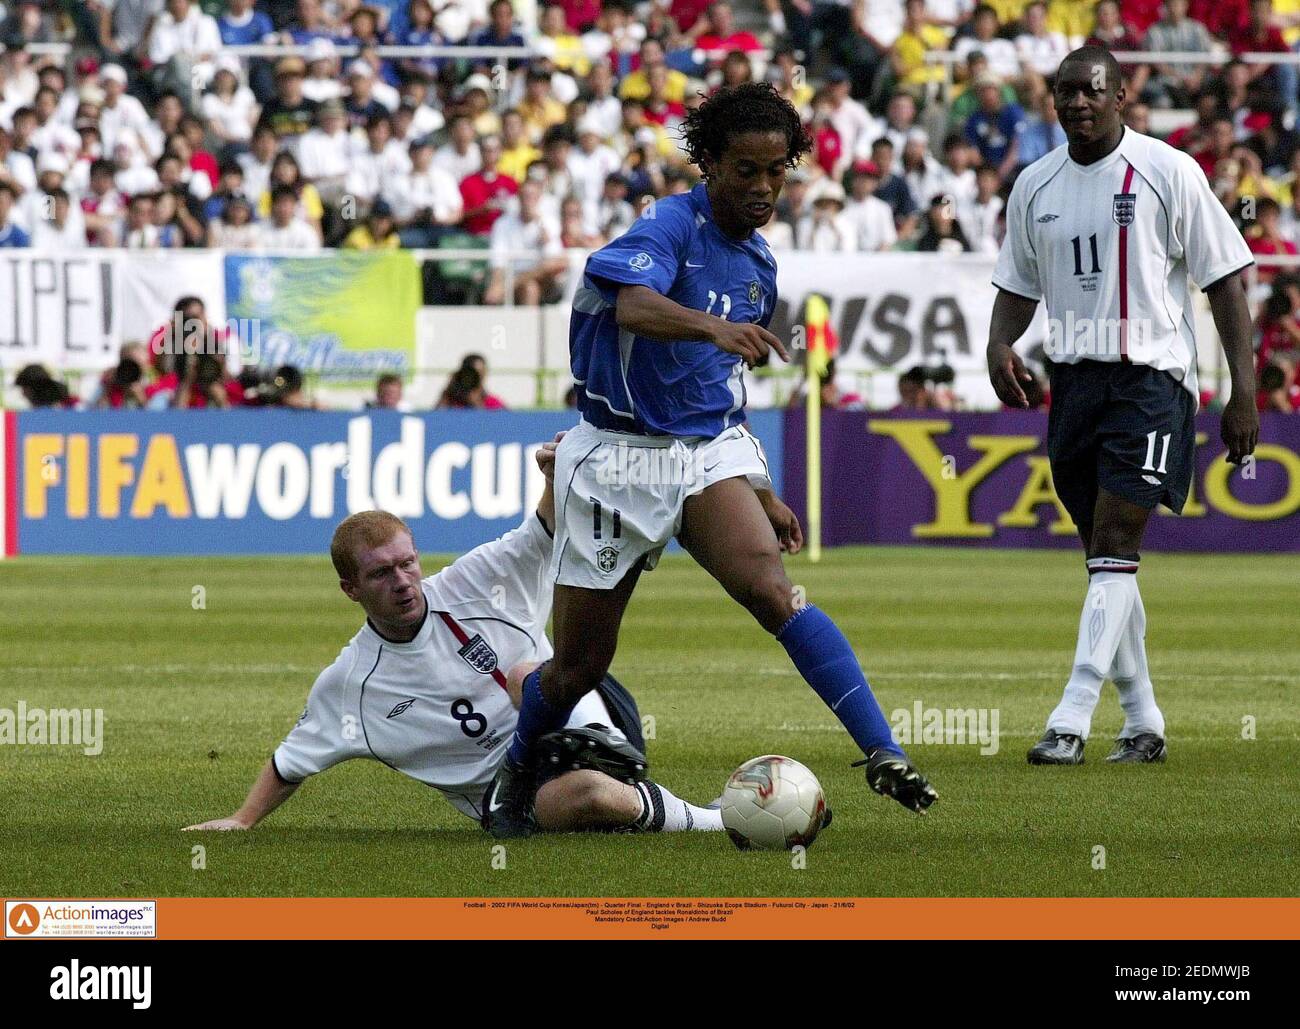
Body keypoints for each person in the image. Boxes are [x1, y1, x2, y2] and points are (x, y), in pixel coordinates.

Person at [483, 82, 938, 838]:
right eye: (745, 170)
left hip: (701, 454)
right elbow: (632, 304)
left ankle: (882, 749)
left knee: (775, 592)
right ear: (711, 165)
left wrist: (759, 489)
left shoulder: (758, 264)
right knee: (578, 666)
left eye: (776, 172)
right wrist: (711, 327)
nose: (762, 187)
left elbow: (719, 392)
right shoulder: (668, 225)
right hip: (618, 459)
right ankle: (516, 769)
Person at [183, 440, 725, 835]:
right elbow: (290, 762)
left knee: (523, 676)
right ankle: (672, 812)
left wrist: (554, 476)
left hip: (583, 713)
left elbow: (541, 531)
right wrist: (242, 819)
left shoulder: (475, 581)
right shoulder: (352, 683)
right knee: (585, 797)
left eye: (407, 563)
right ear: (351, 589)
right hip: (515, 799)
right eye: (381, 574)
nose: (402, 582)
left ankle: (684, 804)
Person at [987, 47, 1259, 766]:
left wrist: (1243, 391)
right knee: (1107, 560)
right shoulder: (1034, 185)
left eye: (1091, 90)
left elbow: (1225, 281)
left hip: (1150, 382)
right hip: (1074, 385)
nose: (1077, 102)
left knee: (1114, 539)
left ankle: (1069, 718)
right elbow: (1017, 283)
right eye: (1065, 91)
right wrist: (998, 345)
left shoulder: (1169, 171)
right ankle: (1144, 721)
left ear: (1121, 95)